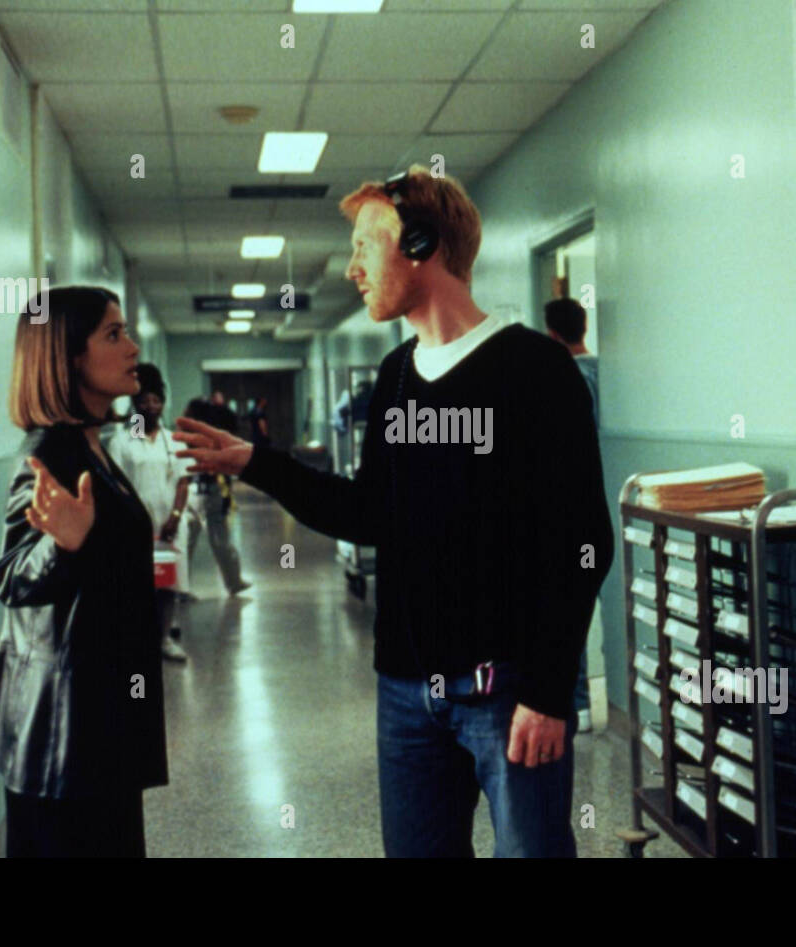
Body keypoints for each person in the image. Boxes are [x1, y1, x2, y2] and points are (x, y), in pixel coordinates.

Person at [174, 164, 613, 857]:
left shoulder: (534, 370)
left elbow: (583, 540)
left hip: (508, 691)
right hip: (408, 694)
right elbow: (370, 512)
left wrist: (552, 690)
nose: (351, 267)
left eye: (361, 246)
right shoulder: (395, 378)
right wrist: (254, 461)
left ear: (420, 244)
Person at [0, 286, 168, 857]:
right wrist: (63, 544)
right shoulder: (49, 452)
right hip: (64, 733)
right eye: (113, 334)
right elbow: (9, 575)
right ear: (69, 356)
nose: (132, 347)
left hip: (98, 721)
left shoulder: (92, 445)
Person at [105, 362, 194, 662]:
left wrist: (176, 517)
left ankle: (165, 639)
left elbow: (183, 481)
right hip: (136, 528)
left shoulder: (173, 440)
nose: (151, 406)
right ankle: (141, 641)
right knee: (139, 584)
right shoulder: (122, 441)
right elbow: (117, 486)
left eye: (156, 400)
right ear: (135, 404)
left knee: (169, 584)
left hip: (169, 525)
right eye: (144, 401)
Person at [545, 296, 601, 733]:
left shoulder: (561, 380)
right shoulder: (607, 373)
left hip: (572, 506)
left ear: (552, 334)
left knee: (571, 604)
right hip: (612, 501)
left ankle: (579, 702)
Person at [184, 396, 251, 596]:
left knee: (188, 541)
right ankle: (233, 581)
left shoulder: (187, 437)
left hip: (195, 491)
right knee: (218, 538)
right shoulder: (211, 438)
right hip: (208, 490)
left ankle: (181, 588)